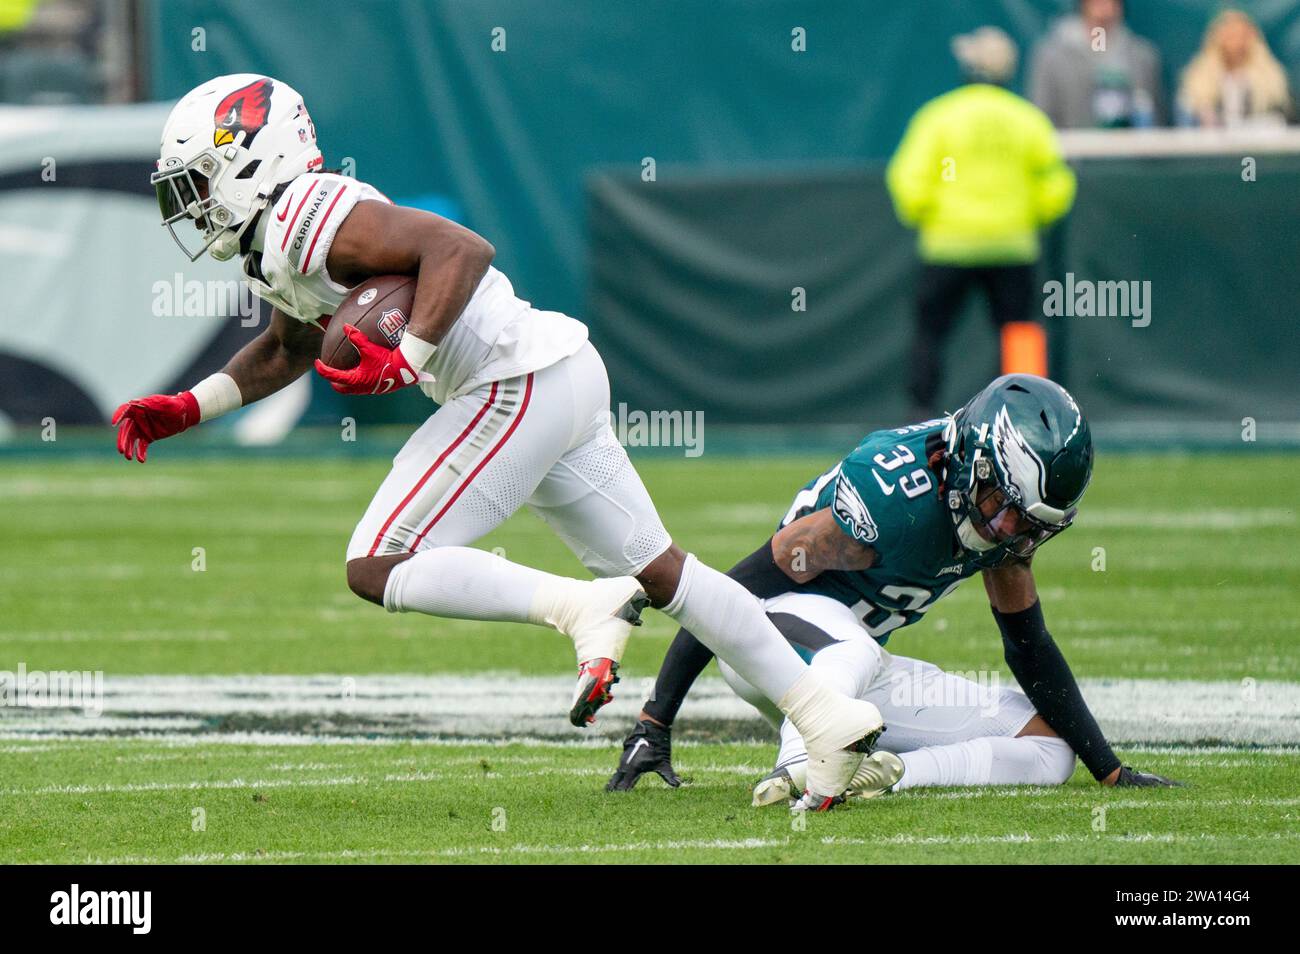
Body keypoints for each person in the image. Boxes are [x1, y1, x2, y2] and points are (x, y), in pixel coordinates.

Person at [114, 74, 882, 808]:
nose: (194, 203)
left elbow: (460, 248)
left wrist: (407, 355)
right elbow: (286, 348)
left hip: (514, 379)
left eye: (201, 179)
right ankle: (823, 714)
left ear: (257, 156)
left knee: (377, 562)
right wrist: (189, 406)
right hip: (556, 373)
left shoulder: (305, 212)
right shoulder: (276, 244)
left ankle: (584, 607)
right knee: (664, 571)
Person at [608, 374, 1182, 800]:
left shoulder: (999, 521)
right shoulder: (890, 497)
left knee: (1049, 749)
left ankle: (885, 776)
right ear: (971, 464)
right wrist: (655, 721)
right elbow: (730, 593)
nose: (1012, 532)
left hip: (856, 666)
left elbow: (1028, 646)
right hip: (769, 637)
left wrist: (1108, 768)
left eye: (1032, 524)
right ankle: (799, 767)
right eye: (1006, 510)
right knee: (851, 648)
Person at [886, 27, 1075, 419]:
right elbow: (1058, 183)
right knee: (1018, 332)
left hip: (949, 244)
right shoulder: (1026, 120)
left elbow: (907, 180)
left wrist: (933, 213)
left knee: (930, 333)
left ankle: (920, 416)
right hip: (1012, 245)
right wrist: (1028, 215)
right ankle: (1026, 418)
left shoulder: (939, 116)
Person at [1029, 0, 1165, 129]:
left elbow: (1152, 117)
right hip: (1070, 149)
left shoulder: (1142, 56)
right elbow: (1042, 114)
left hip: (1127, 150)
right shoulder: (1052, 55)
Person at [1177, 9, 1291, 129]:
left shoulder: (1270, 77)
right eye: (1230, 35)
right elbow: (1186, 116)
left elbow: (1280, 117)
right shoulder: (1199, 76)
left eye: (1242, 35)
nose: (1236, 41)